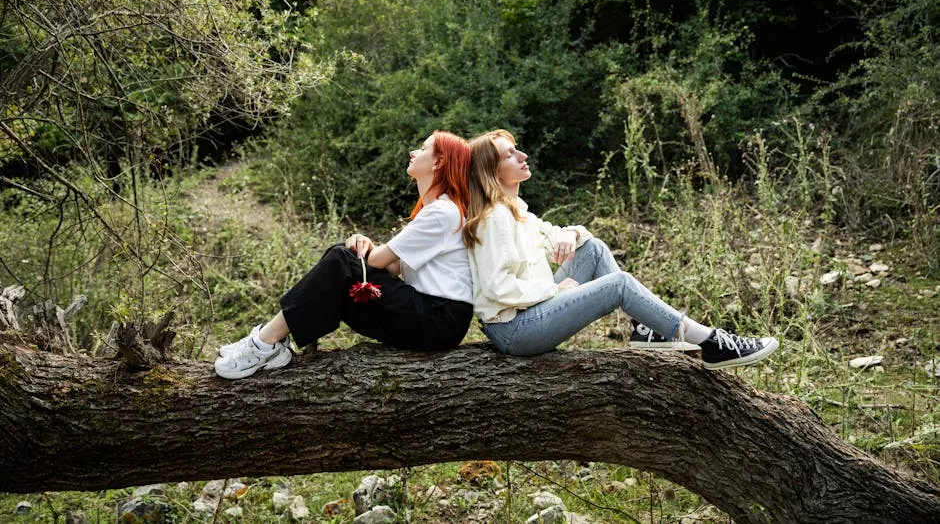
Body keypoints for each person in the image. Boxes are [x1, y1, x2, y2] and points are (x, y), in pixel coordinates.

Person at [462, 129, 779, 369]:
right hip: (514, 329)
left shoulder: (519, 211)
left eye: (518, 149)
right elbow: (497, 287)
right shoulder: (495, 218)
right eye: (509, 155)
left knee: (594, 249)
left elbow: (573, 238)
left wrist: (571, 234)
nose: (522, 156)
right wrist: (552, 292)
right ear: (491, 172)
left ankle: (645, 331)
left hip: (529, 312)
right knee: (619, 284)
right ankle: (710, 343)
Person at [214, 131, 474, 379]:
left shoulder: (442, 212)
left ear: (439, 161)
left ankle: (264, 343)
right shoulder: (439, 210)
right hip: (432, 315)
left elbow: (377, 261)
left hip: (438, 319)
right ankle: (274, 339)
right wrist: (363, 244)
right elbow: (394, 267)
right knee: (341, 255)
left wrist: (365, 244)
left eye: (424, 148)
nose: (413, 151)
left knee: (342, 259)